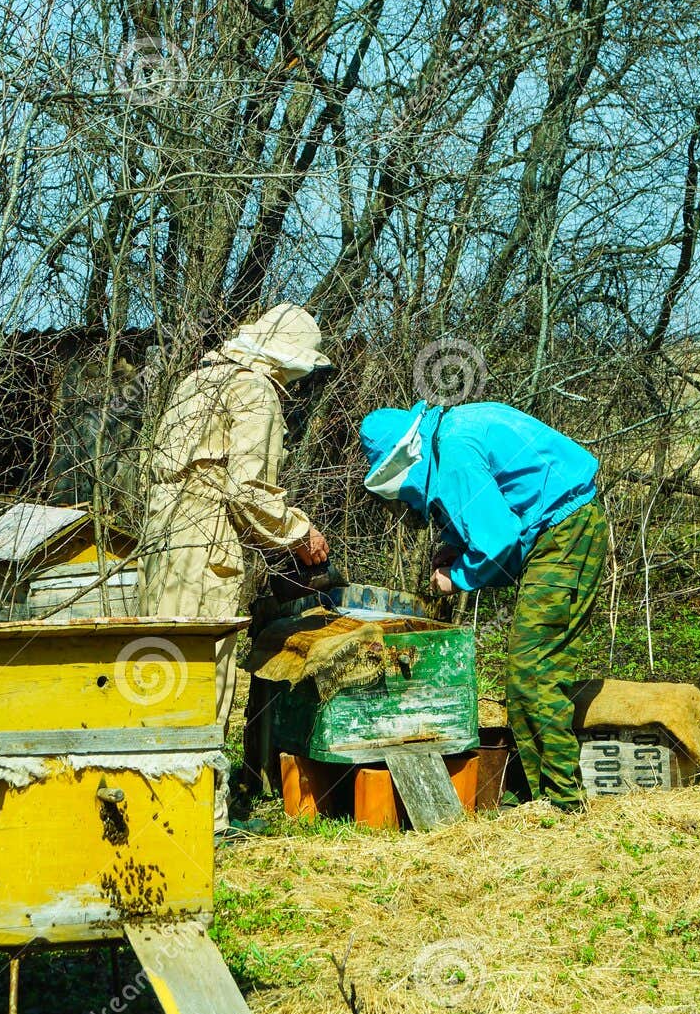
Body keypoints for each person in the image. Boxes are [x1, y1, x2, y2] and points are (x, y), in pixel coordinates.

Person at [359, 399, 607, 812]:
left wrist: (456, 578)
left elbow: (498, 541)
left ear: (402, 462)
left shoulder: (454, 453)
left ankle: (563, 802)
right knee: (528, 668)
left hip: (565, 534)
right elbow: (497, 513)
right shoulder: (453, 433)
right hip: (560, 529)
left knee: (534, 669)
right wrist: (456, 549)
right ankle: (541, 791)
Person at [140, 303, 331, 831]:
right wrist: (299, 532)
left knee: (160, 678)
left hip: (162, 550)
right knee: (206, 682)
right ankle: (204, 822)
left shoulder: (198, 380)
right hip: (206, 555)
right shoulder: (254, 390)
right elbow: (248, 491)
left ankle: (155, 812)